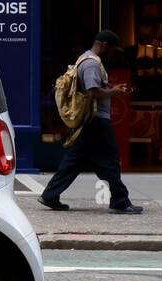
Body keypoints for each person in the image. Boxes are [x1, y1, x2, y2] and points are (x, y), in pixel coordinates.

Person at [40, 30, 143, 214]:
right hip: (96, 121)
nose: (112, 53)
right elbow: (93, 92)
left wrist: (112, 89)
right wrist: (114, 92)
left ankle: (50, 195)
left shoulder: (86, 60)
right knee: (110, 161)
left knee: (74, 161)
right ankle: (120, 200)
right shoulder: (92, 64)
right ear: (104, 45)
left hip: (90, 120)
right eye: (112, 49)